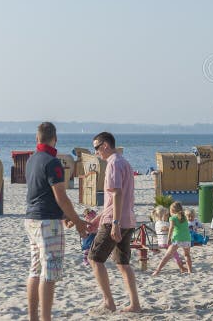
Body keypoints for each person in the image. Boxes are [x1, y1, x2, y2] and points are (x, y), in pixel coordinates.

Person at [25, 122, 88, 321]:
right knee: (49, 273)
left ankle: (33, 317)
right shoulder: (53, 162)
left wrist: (64, 215)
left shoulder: (31, 160)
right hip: (47, 223)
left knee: (35, 271)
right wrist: (78, 221)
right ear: (55, 139)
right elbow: (60, 196)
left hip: (31, 219)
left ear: (37, 139)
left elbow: (41, 193)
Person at [87, 132, 141, 313]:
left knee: (94, 259)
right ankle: (135, 304)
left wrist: (114, 223)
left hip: (116, 221)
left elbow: (117, 194)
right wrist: (97, 219)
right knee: (123, 264)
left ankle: (108, 301)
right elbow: (115, 199)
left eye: (96, 148)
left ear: (105, 146)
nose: (96, 153)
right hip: (127, 220)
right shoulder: (124, 162)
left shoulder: (113, 164)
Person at [152, 202, 193, 275]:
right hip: (187, 238)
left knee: (167, 256)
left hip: (177, 239)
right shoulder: (184, 217)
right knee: (187, 255)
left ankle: (157, 271)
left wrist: (168, 239)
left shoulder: (172, 218)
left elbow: (171, 229)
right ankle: (190, 271)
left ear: (172, 211)